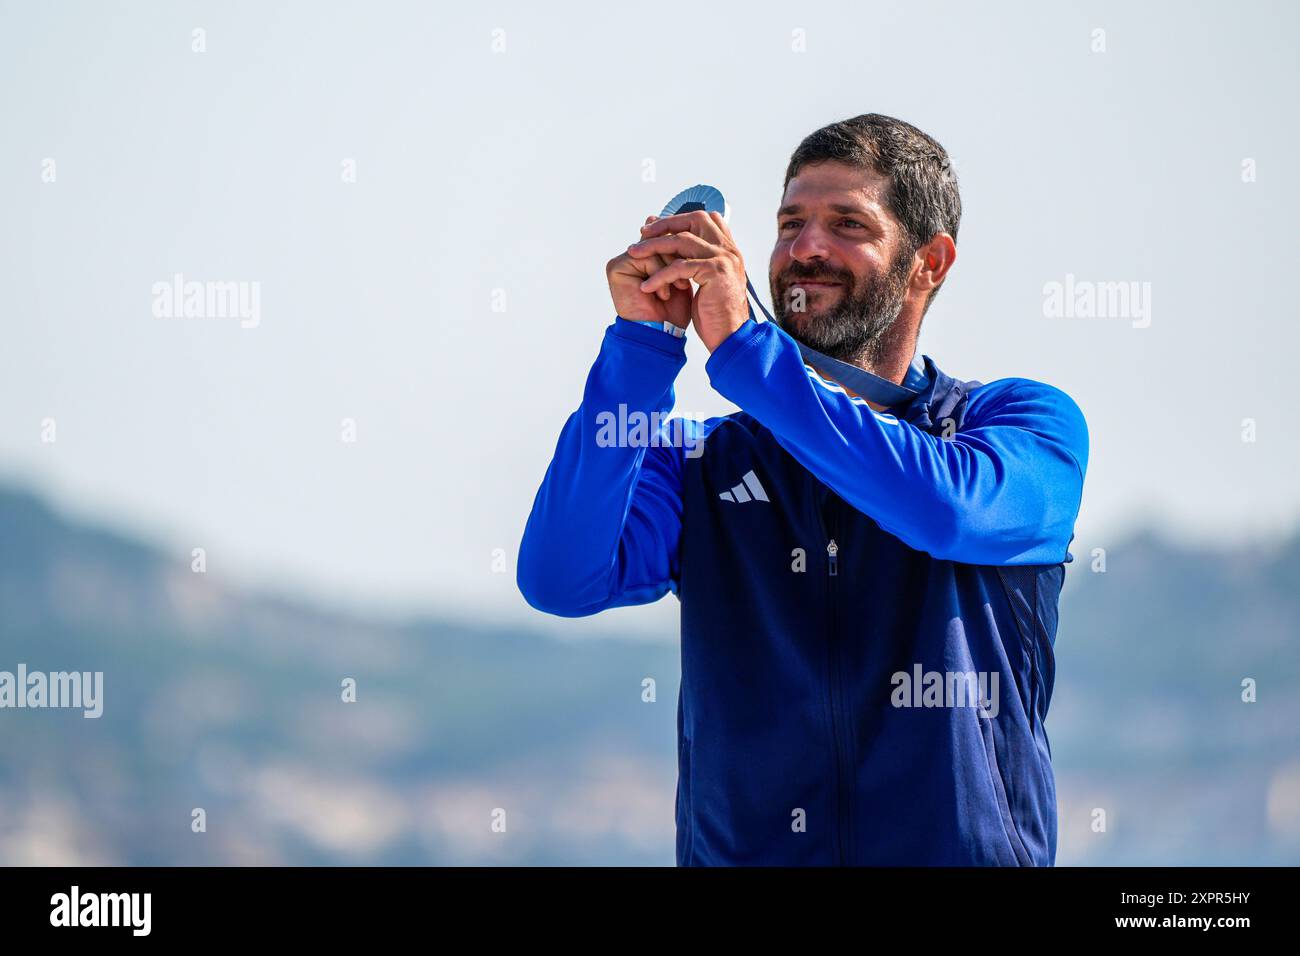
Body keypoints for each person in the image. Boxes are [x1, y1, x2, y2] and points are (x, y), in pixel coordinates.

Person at [517, 113, 1088, 866]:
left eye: (847, 223)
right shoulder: (702, 460)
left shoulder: (1021, 424)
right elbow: (562, 578)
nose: (805, 248)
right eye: (790, 224)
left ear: (930, 262)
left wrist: (748, 353)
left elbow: (944, 511)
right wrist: (641, 349)